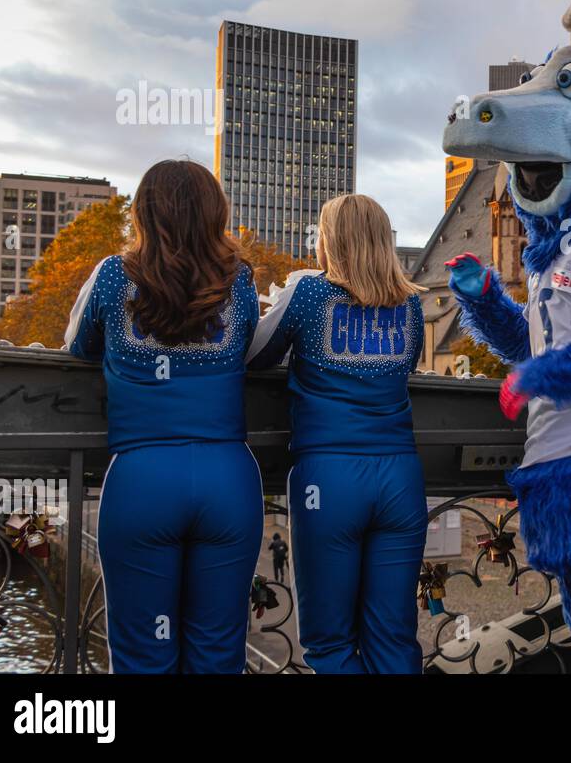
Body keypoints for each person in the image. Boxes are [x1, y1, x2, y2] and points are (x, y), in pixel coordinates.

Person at [65, 160, 263, 673]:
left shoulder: (112, 275)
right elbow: (247, 347)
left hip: (142, 478)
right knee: (218, 653)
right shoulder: (239, 282)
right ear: (215, 213)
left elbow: (78, 345)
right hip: (227, 478)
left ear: (143, 214)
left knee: (141, 657)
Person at [247, 194, 428, 674]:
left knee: (330, 643)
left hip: (328, 478)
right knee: (393, 637)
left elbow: (255, 354)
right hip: (400, 476)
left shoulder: (307, 293)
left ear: (330, 241)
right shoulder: (410, 304)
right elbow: (406, 367)